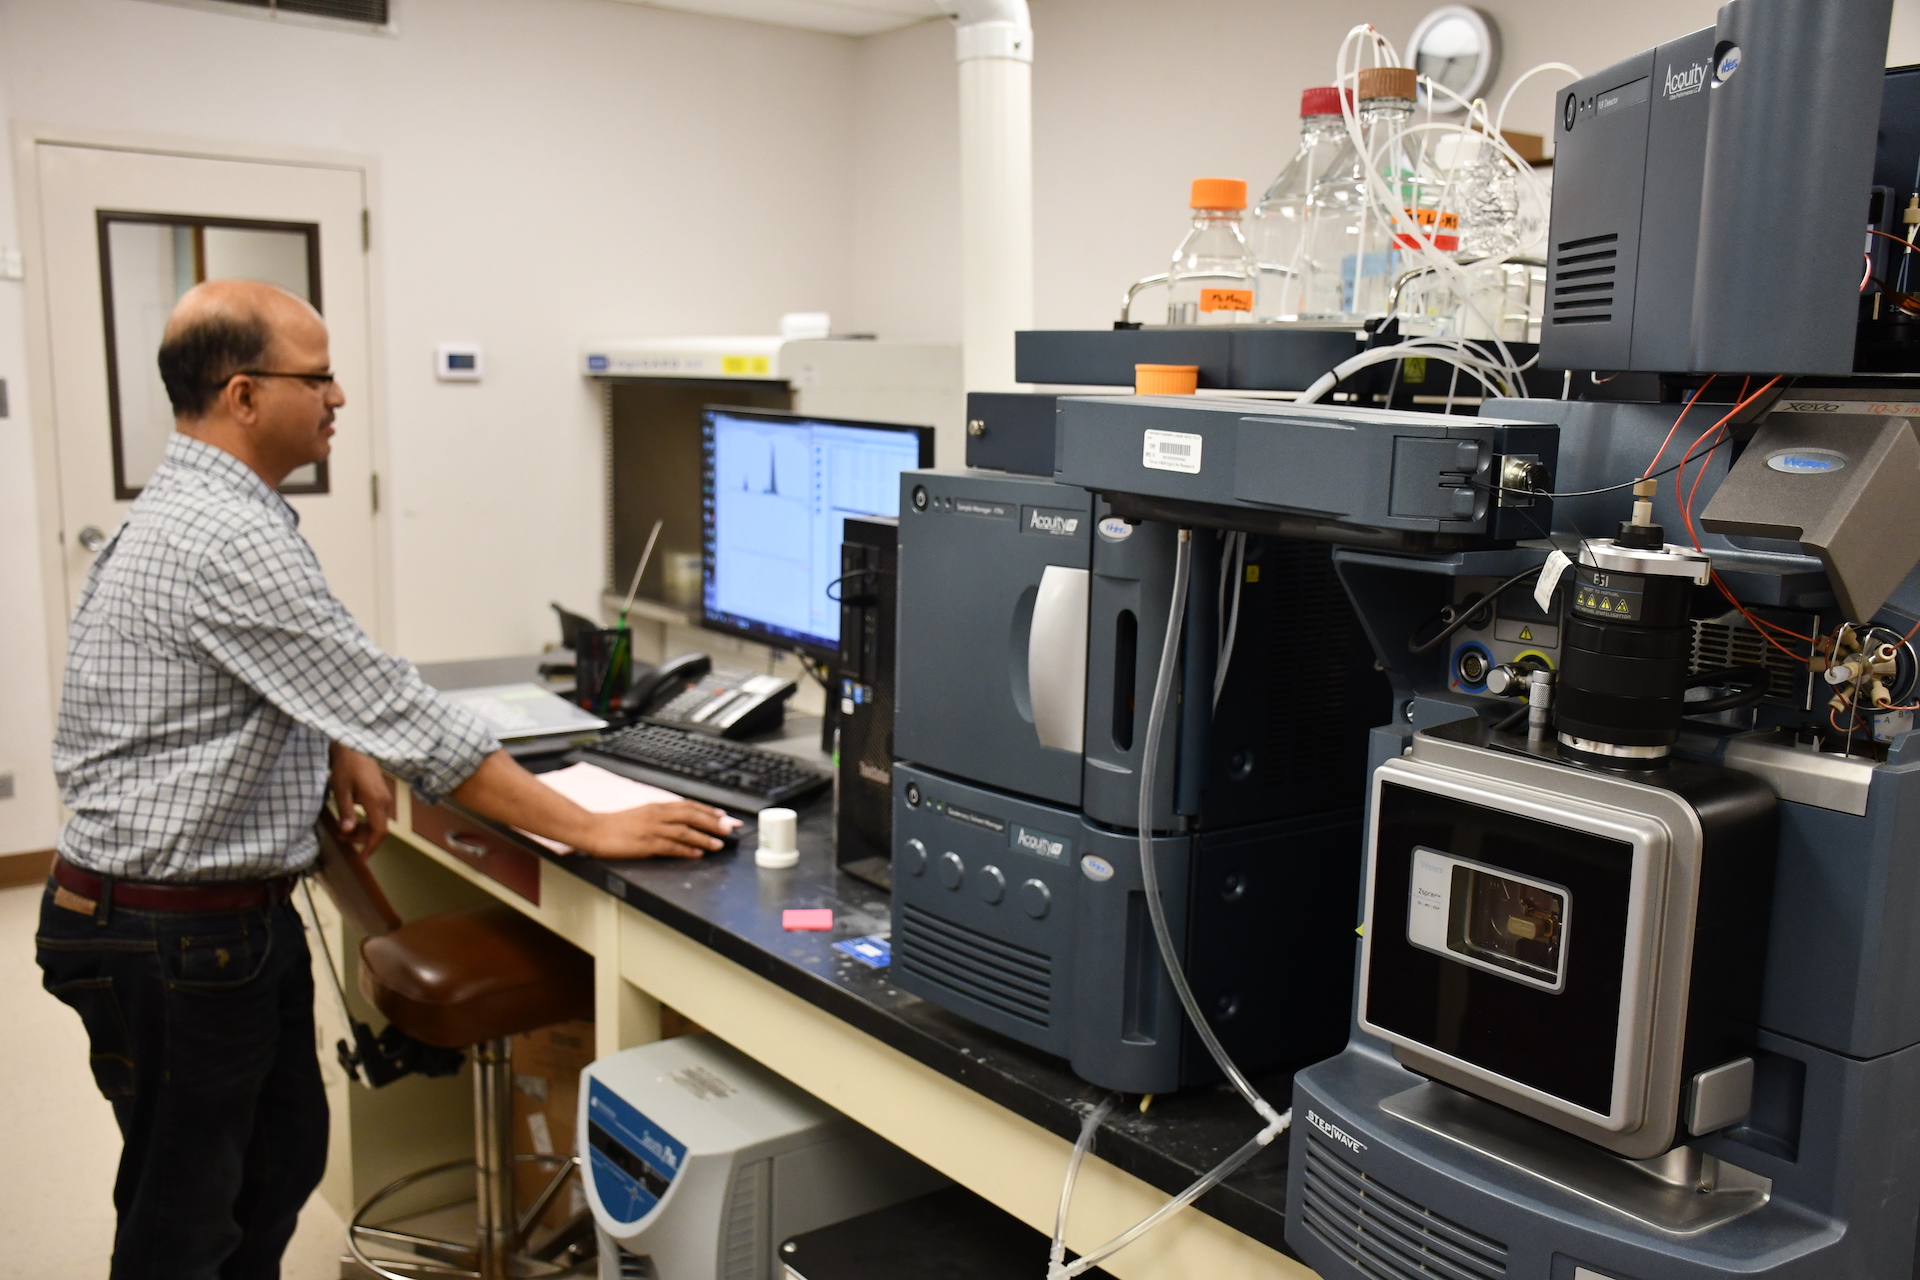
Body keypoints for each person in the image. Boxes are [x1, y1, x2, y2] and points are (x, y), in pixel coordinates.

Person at [37, 279, 735, 1280]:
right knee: (184, 1218)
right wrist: (586, 825)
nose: (339, 397)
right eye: (316, 376)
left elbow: (255, 677)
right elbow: (410, 717)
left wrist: (331, 738)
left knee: (272, 1166)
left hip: (192, 920)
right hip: (175, 932)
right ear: (242, 395)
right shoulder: (227, 535)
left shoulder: (204, 504)